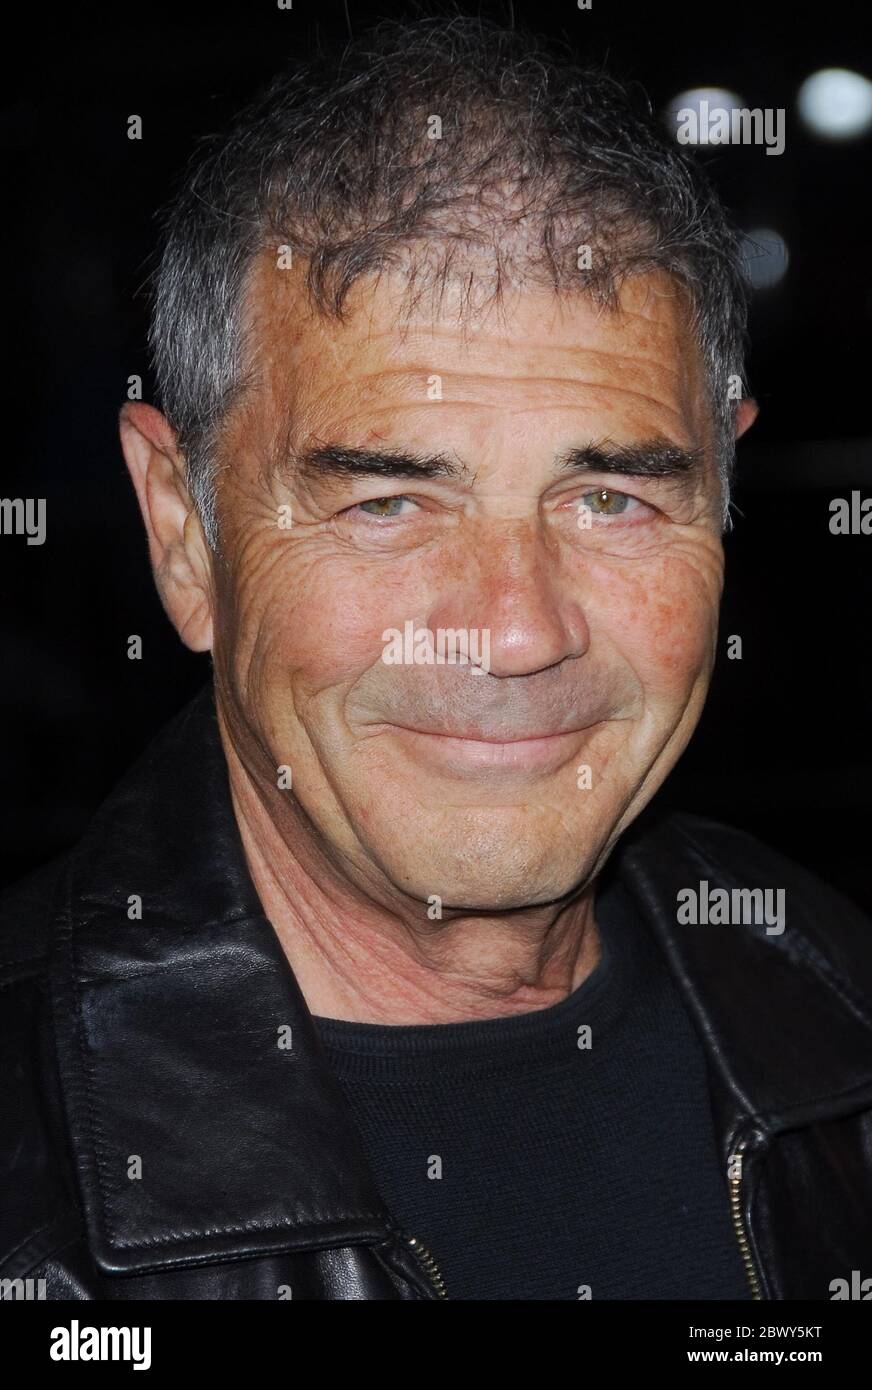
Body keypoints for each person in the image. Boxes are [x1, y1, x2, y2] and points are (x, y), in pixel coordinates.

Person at [2, 14, 871, 1302]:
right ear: (185, 539)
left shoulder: (838, 995)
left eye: (612, 500)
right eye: (389, 505)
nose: (518, 630)